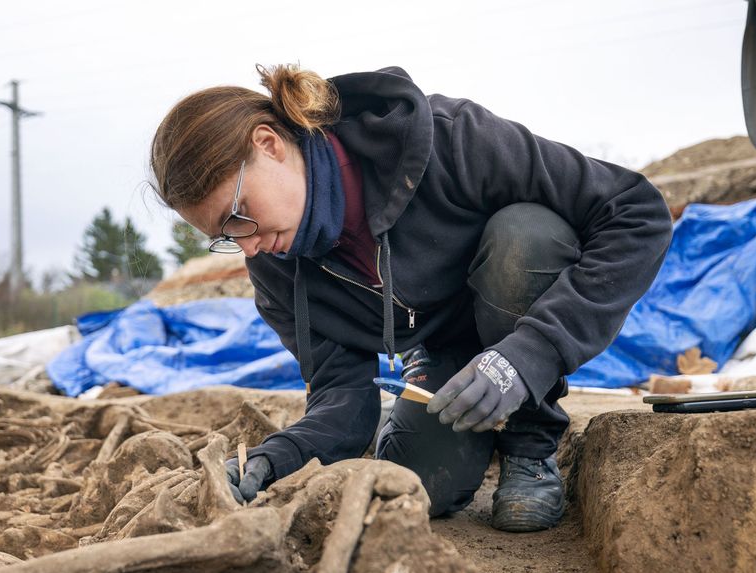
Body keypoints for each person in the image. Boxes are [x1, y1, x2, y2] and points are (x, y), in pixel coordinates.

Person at [150, 65, 671, 532]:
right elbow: (340, 394)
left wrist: (529, 356)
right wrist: (276, 459)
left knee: (526, 236)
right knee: (425, 487)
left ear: (268, 144)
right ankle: (412, 416)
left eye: (238, 214)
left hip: (517, 317)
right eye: (224, 235)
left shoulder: (450, 140)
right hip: (442, 354)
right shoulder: (274, 265)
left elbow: (635, 212)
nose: (246, 243)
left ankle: (529, 447)